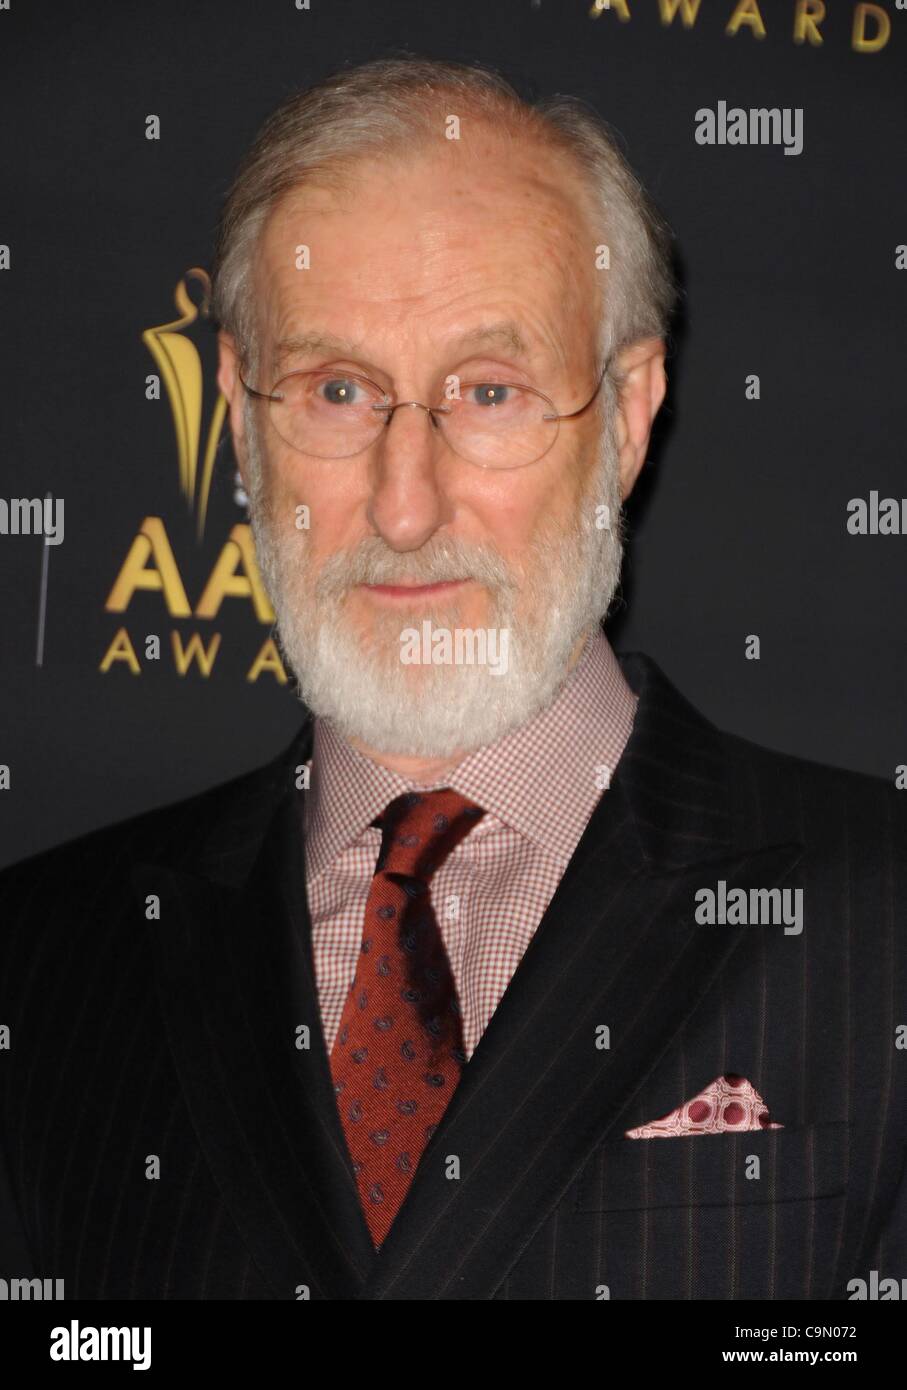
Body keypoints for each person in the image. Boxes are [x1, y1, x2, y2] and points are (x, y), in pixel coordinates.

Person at [1, 56, 904, 1301]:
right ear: (239, 417)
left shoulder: (880, 924)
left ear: (628, 412)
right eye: (335, 390)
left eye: (487, 392)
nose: (406, 504)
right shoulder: (47, 963)